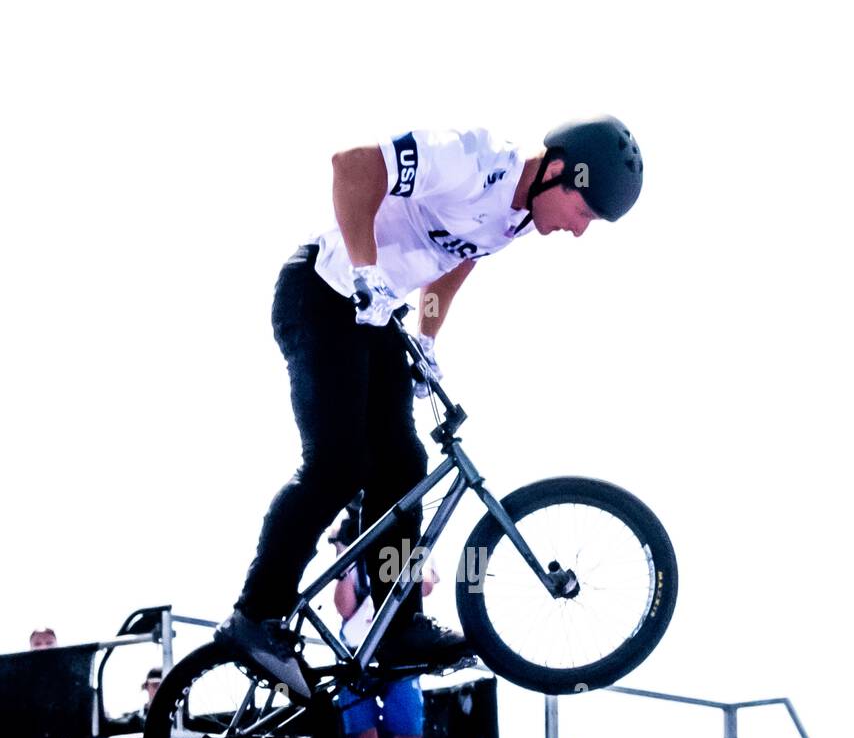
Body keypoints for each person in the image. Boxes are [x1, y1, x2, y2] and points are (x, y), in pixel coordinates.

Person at [216, 117, 643, 691]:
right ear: (560, 172)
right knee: (339, 464)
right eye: (585, 213)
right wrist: (368, 271)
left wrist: (427, 336)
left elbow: (456, 260)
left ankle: (397, 626)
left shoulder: (516, 218)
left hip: (375, 317)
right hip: (321, 293)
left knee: (404, 468)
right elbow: (353, 165)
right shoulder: (472, 160)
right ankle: (256, 612)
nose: (580, 231)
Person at [330, 506, 437, 738]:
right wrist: (344, 555)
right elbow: (345, 607)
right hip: (356, 655)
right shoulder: (352, 548)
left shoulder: (408, 539)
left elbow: (425, 585)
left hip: (398, 655)